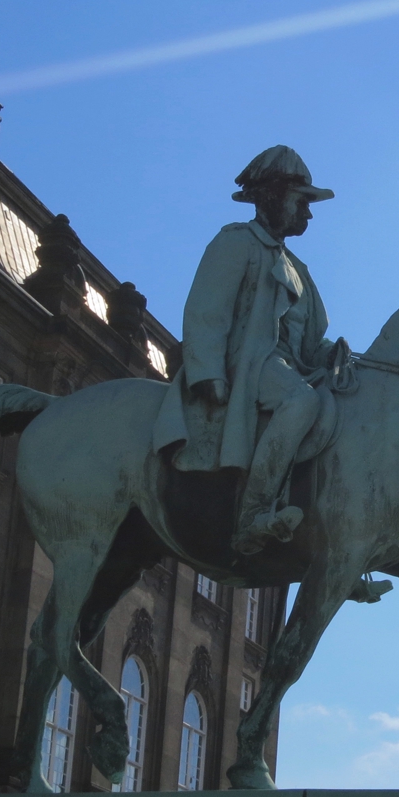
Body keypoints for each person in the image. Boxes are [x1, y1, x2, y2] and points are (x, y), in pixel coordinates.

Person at [153, 146, 346, 554]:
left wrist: (333, 354)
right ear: (272, 197)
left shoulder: (298, 269)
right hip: (250, 364)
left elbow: (310, 341)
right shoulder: (236, 242)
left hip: (289, 367)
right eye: (302, 202)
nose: (308, 214)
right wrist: (208, 373)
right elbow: (207, 310)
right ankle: (252, 515)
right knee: (301, 402)